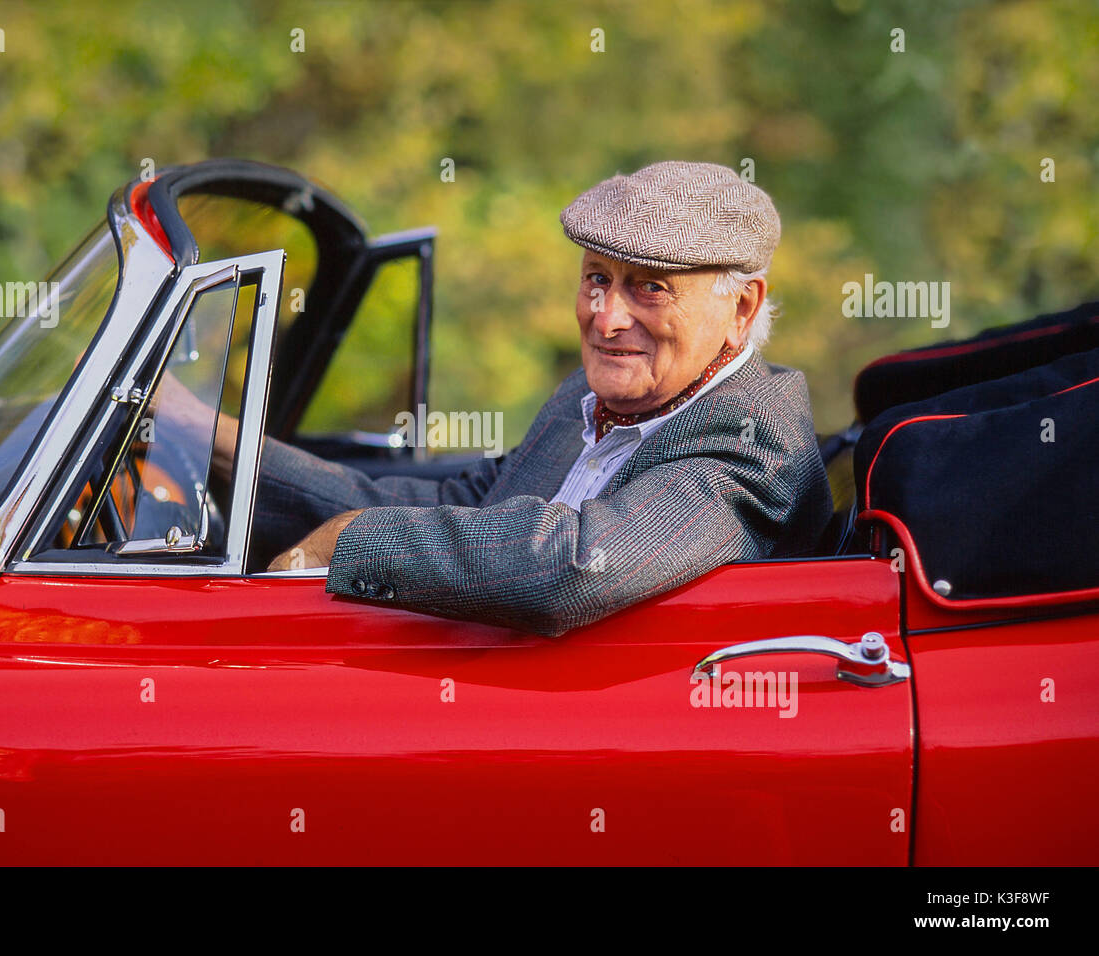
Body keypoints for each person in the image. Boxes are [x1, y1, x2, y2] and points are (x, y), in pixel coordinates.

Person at [203, 161, 833, 635]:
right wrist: (218, 440)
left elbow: (575, 563)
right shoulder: (591, 397)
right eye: (596, 279)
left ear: (741, 307)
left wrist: (350, 543)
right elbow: (469, 504)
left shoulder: (752, 439)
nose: (606, 317)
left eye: (650, 288)